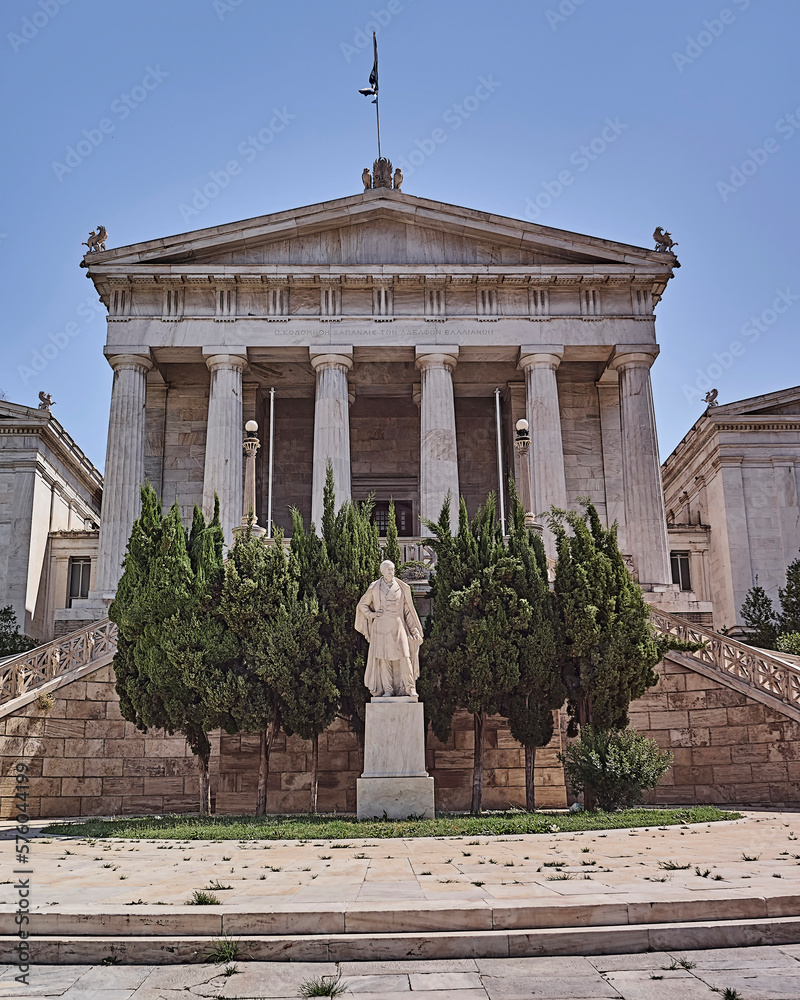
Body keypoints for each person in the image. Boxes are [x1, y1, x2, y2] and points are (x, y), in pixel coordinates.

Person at [355, 560, 423, 698]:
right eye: (388, 570)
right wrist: (372, 614)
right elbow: (362, 605)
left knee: (405, 657)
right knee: (383, 659)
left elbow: (407, 612)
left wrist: (414, 630)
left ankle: (410, 688)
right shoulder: (374, 587)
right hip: (381, 627)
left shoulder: (402, 587)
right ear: (382, 571)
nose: (391, 572)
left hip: (398, 626)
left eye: (392, 569)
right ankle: (388, 690)